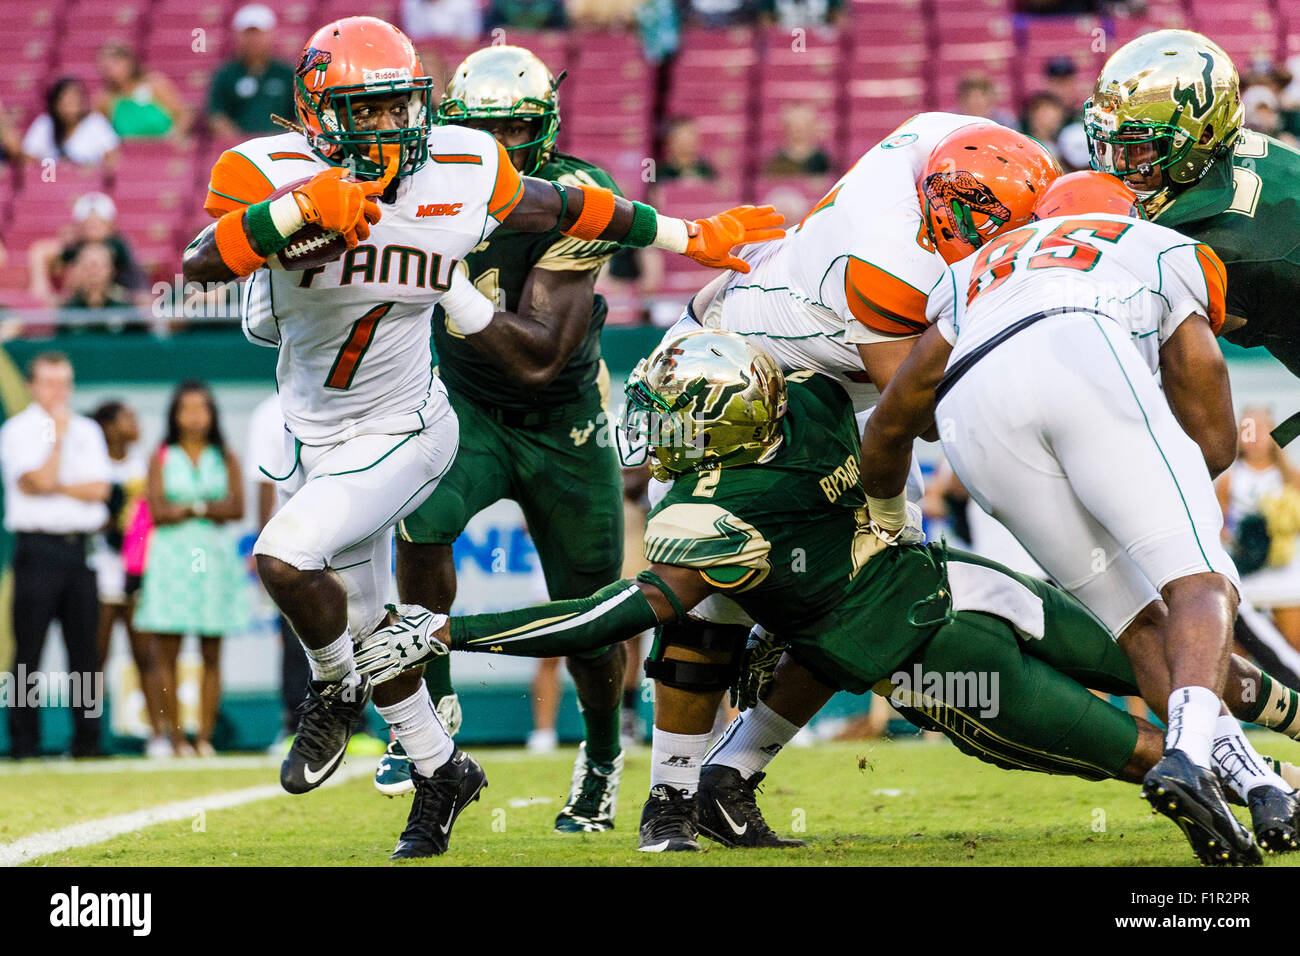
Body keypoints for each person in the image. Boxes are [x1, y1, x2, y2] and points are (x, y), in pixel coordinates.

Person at [181, 14, 781, 858]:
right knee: (367, 624)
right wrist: (289, 217)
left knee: (285, 558)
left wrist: (689, 235)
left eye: (399, 107)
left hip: (410, 422)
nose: (390, 127)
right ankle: (441, 772)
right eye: (367, 110)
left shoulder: (458, 166)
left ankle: (331, 691)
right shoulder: (263, 167)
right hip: (315, 426)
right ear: (319, 115)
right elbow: (200, 262)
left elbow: (566, 203)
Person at [353, 329, 1300, 864]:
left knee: (1190, 675)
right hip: (945, 636)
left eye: (682, 421)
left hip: (954, 614)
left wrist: (448, 629)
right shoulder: (797, 412)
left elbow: (609, 616)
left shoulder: (727, 496)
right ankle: (1276, 795)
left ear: (729, 418)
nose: (664, 439)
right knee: (1159, 723)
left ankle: (1275, 779)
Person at [621, 114, 1059, 850]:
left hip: (840, 390)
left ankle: (729, 776)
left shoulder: (950, 145)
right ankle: (670, 793)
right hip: (745, 379)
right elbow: (920, 413)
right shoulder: (886, 259)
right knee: (720, 592)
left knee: (876, 594)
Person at [858, 171, 1298, 864]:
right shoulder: (1150, 240)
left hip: (974, 418)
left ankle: (1257, 786)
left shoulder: (971, 269)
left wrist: (885, 513)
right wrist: (1173, 495)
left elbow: (894, 416)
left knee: (1139, 624)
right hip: (1078, 352)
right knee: (1200, 582)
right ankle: (1187, 757)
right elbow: (1211, 421)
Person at [376, 44, 632, 832]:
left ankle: (601, 754)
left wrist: (441, 281)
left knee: (590, 618)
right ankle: (434, 699)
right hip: (466, 411)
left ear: (546, 126)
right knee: (419, 514)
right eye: (479, 130)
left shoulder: (579, 193)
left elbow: (539, 358)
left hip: (563, 423)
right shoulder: (424, 178)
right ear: (450, 126)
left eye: (515, 127)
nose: (497, 148)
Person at [1084, 30, 1300, 446]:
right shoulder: (1219, 156)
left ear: (1203, 137)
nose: (1117, 167)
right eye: (1110, 146)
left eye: (1140, 150)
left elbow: (1207, 438)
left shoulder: (1222, 249)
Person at [0, 353, 110, 759]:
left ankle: (88, 741)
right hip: (37, 549)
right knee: (29, 652)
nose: (58, 392)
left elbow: (99, 490)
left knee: (84, 653)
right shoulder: (17, 430)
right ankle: (24, 743)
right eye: (49, 383)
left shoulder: (89, 429)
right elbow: (35, 481)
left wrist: (57, 485)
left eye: (64, 383)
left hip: (79, 550)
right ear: (32, 386)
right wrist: (59, 441)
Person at [133, 381, 246, 758]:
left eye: (202, 408)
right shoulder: (161, 456)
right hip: (170, 560)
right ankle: (176, 738)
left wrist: (190, 508)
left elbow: (236, 508)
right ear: (174, 415)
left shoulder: (225, 455)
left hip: (212, 561)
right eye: (187, 408)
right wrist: (206, 507)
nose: (195, 416)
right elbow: (159, 512)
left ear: (212, 414)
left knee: (212, 650)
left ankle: (204, 738)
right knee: (168, 651)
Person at [89, 400, 168, 757]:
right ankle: (89, 735)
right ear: (106, 426)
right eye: (127, 418)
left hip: (137, 571)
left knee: (146, 655)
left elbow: (149, 519)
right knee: (95, 656)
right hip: (99, 567)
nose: (135, 424)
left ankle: (159, 735)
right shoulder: (91, 464)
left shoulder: (143, 463)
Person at [245, 391, 310, 750]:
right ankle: (295, 725)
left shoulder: (343, 397)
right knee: (294, 636)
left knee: (354, 628)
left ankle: (356, 725)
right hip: (289, 542)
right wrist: (263, 544)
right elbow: (264, 481)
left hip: (343, 532)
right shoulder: (267, 412)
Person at [1218, 407, 1300, 649]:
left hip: (1285, 574)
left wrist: (1280, 526)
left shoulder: (1290, 476)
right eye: (1246, 430)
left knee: (1293, 643)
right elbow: (1219, 523)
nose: (1252, 438)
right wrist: (1241, 538)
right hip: (1247, 576)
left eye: (1260, 430)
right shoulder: (1230, 479)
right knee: (1239, 649)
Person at [28, 192, 145, 309]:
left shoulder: (118, 245)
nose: (92, 229)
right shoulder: (79, 245)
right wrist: (41, 288)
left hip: (117, 302)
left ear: (110, 224)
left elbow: (138, 291)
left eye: (97, 224)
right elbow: (40, 251)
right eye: (88, 224)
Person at [207, 5, 296, 138]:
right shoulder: (225, 74)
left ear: (270, 34)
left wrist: (286, 139)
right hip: (241, 149)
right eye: (248, 34)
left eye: (258, 34)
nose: (253, 40)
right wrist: (239, 142)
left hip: (282, 146)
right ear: (237, 36)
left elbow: (302, 114)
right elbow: (216, 114)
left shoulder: (287, 73)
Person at [94, 41, 190, 140]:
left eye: (116, 62)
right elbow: (98, 131)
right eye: (106, 66)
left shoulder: (155, 84)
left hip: (163, 149)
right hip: (129, 152)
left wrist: (175, 136)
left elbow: (183, 115)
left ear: (130, 62)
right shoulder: (104, 99)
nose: (111, 69)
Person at [21, 77, 119, 169]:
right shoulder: (44, 124)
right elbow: (28, 160)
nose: (71, 105)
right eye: (65, 100)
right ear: (55, 103)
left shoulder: (95, 122)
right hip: (51, 184)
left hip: (87, 184)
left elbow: (113, 157)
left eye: (75, 99)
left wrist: (91, 171)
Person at [762, 102, 832, 177]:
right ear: (785, 127)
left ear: (812, 127)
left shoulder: (823, 161)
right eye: (794, 126)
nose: (798, 131)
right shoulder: (776, 160)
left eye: (803, 126)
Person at [658, 117, 716, 183]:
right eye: (682, 137)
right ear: (670, 141)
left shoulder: (706, 170)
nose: (688, 141)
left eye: (691, 135)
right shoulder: (661, 172)